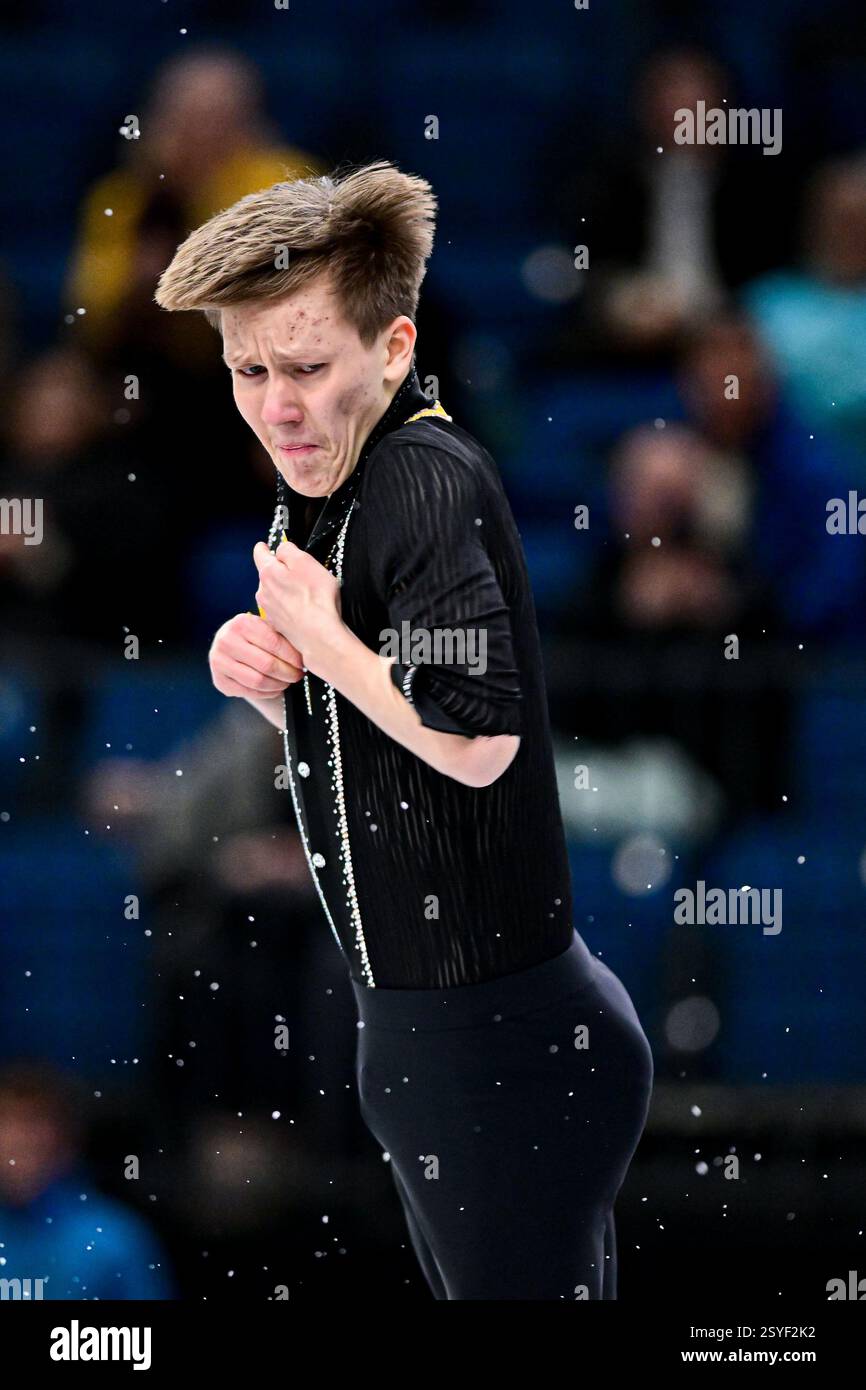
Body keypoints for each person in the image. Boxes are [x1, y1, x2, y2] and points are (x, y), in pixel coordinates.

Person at [153, 159, 654, 1300]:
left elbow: (477, 731)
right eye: (246, 368)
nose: (275, 404)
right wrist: (285, 690)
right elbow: (397, 735)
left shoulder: (414, 482)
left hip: (497, 1043)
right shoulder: (337, 476)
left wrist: (326, 648)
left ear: (391, 348)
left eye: (307, 366)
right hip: (445, 1031)